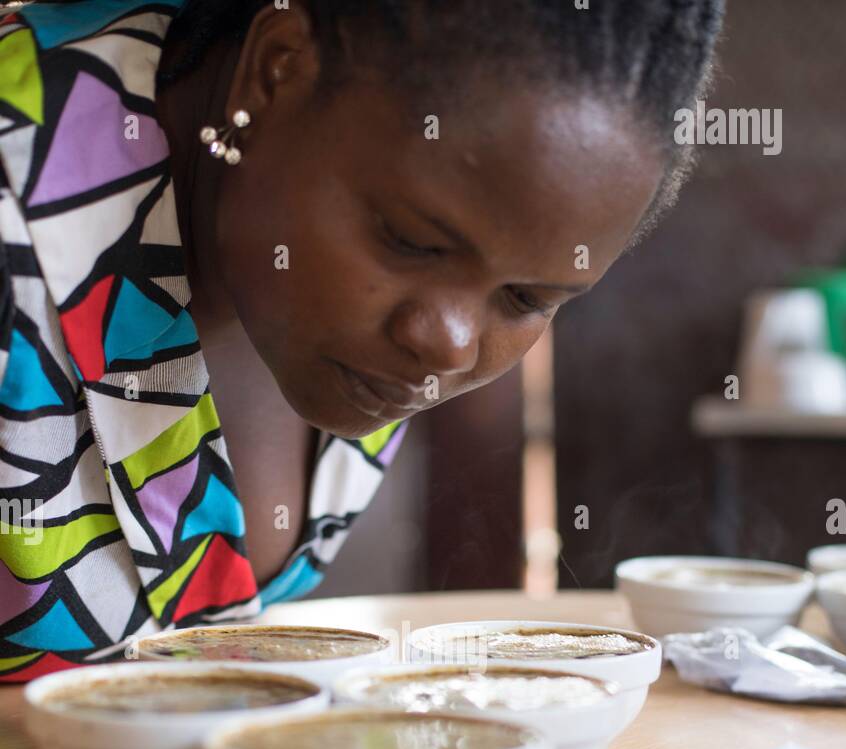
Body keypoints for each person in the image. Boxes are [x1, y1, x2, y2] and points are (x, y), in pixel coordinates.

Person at [0, 0, 724, 680]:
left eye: (527, 298)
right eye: (411, 241)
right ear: (276, 70)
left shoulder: (338, 312)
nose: (450, 345)